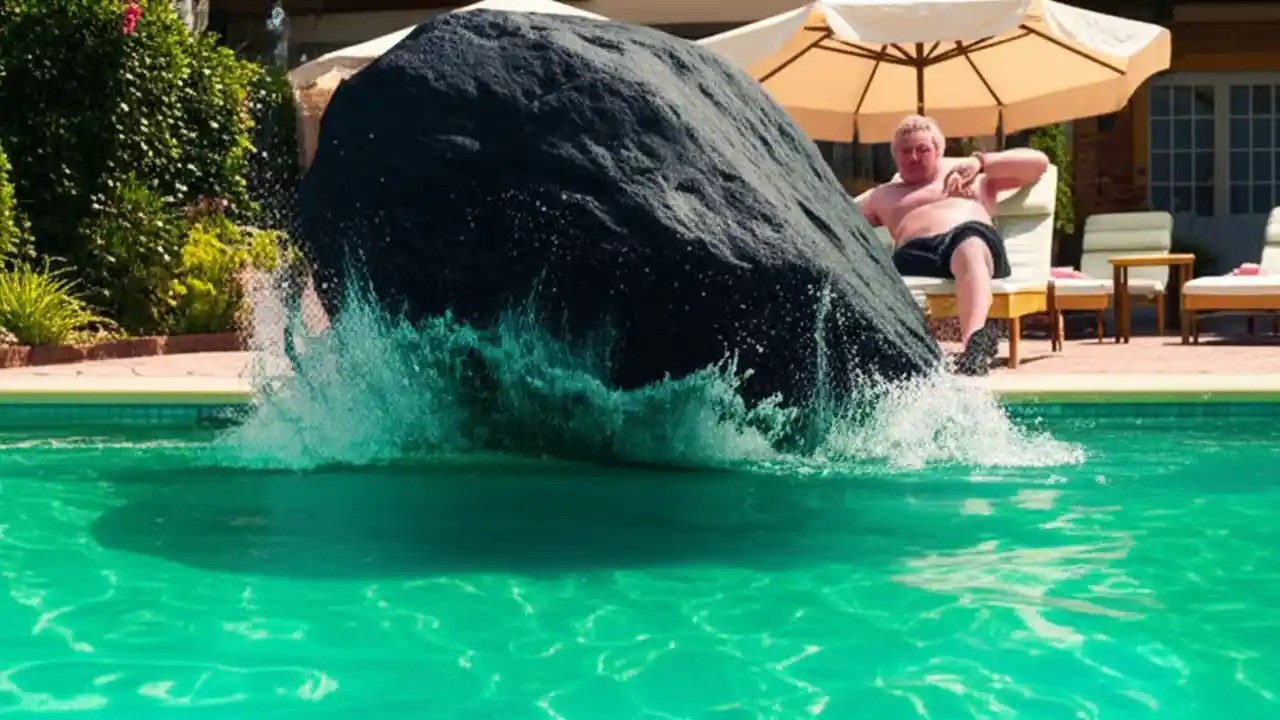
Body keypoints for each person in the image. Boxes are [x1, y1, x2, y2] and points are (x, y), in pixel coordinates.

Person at [858, 115, 1049, 376]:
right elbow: (836, 211)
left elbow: (1038, 164)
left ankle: (974, 347)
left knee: (969, 246)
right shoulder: (882, 195)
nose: (913, 157)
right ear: (895, 156)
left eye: (923, 149)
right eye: (905, 151)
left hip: (971, 239)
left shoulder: (973, 175)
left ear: (938, 151)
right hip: (914, 255)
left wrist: (979, 162)